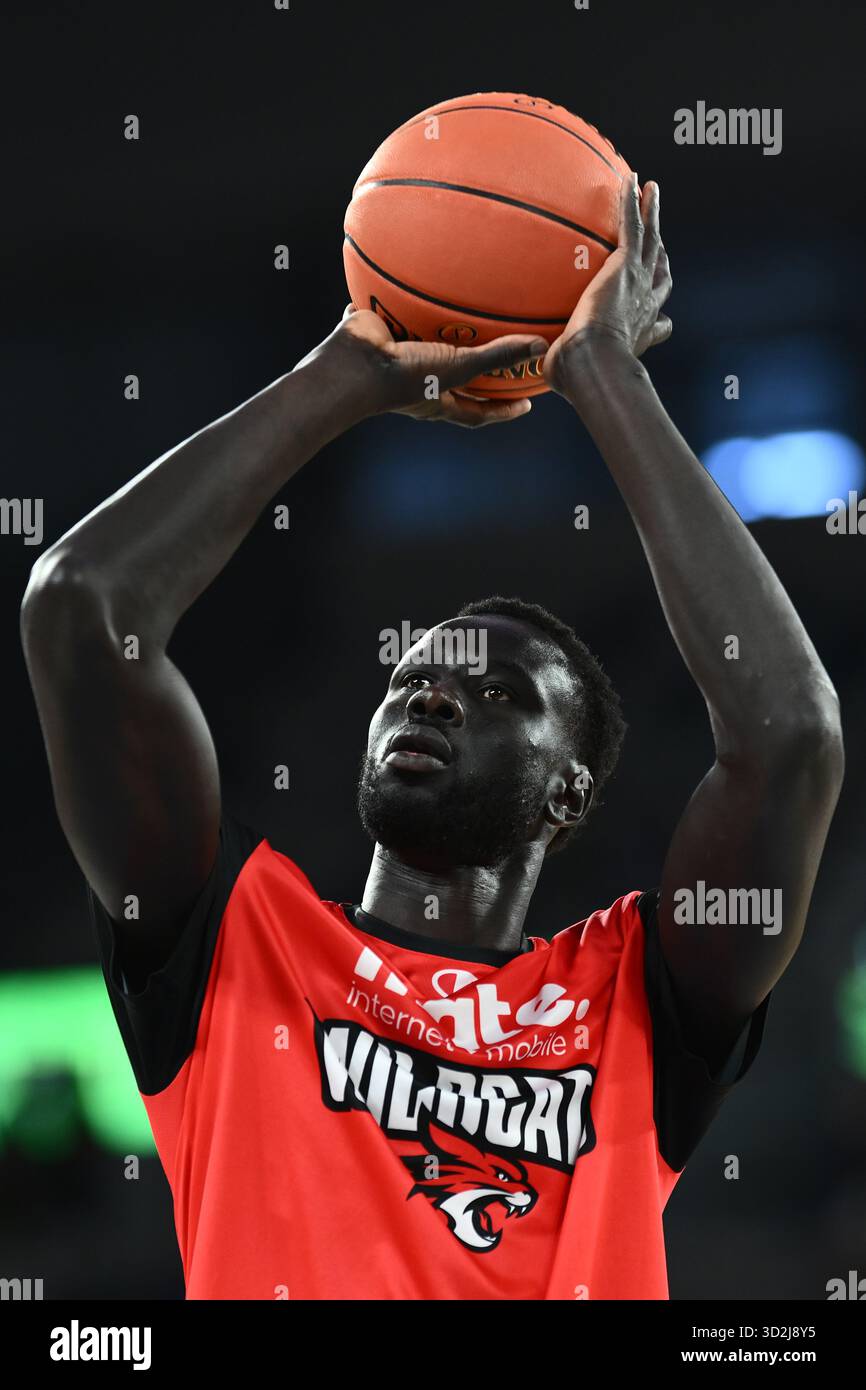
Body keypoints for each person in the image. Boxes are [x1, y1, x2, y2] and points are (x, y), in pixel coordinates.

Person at [21, 177, 843, 1299]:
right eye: (411, 676)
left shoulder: (630, 998)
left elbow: (787, 731)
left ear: (569, 793)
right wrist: (338, 382)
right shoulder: (234, 938)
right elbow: (80, 607)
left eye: (499, 694)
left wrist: (602, 375)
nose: (432, 697)